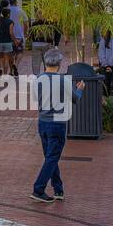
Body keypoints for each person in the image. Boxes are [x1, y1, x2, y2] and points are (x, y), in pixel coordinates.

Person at [31, 48, 85, 203]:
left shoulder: (39, 79)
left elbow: (36, 98)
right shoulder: (63, 81)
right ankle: (38, 189)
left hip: (43, 122)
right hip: (58, 124)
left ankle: (58, 189)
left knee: (50, 157)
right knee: (52, 157)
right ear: (59, 64)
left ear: (45, 62)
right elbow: (75, 99)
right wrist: (79, 89)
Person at [7, 0, 27, 75]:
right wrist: (25, 32)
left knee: (10, 53)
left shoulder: (6, 10)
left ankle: (11, 71)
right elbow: (26, 22)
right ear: (16, 1)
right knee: (20, 52)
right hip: (19, 34)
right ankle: (16, 64)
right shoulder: (20, 10)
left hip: (8, 35)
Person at [0, 1, 15, 78]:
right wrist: (15, 41)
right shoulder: (10, 22)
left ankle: (0, 68)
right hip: (7, 41)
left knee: (0, 57)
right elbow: (11, 33)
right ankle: (5, 75)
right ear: (8, 14)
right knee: (6, 58)